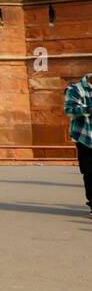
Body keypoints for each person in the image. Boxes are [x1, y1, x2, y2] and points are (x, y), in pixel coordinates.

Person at [64, 72, 92, 218]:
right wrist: (88, 109)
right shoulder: (76, 89)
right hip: (86, 137)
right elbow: (69, 110)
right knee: (89, 173)